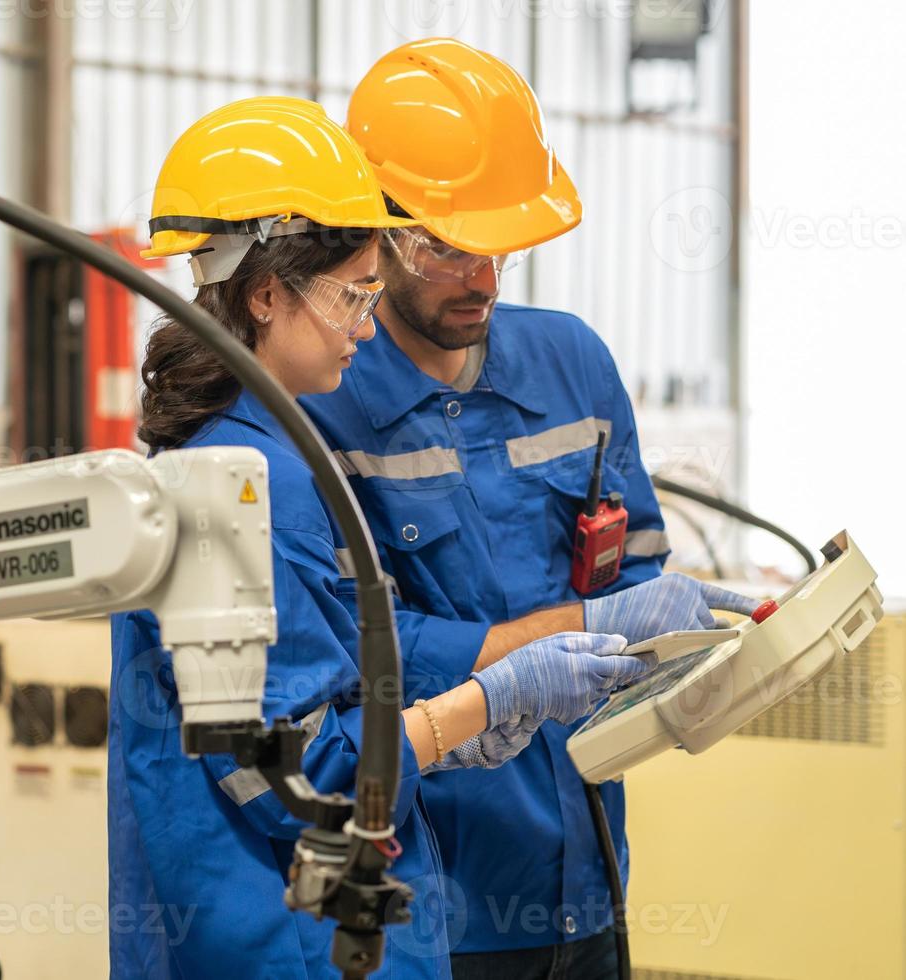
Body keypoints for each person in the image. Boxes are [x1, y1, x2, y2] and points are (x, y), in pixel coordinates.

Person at [107, 96, 651, 979]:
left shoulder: (248, 452)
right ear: (266, 293)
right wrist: (481, 703)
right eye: (355, 295)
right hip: (289, 943)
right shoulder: (256, 480)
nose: (369, 324)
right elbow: (307, 779)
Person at [300, 39, 759, 979]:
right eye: (447, 247)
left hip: (587, 871)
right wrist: (557, 641)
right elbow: (348, 651)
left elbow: (630, 576)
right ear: (373, 235)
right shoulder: (320, 407)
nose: (482, 278)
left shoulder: (573, 366)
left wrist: (690, 655)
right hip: (429, 900)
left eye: (499, 245)